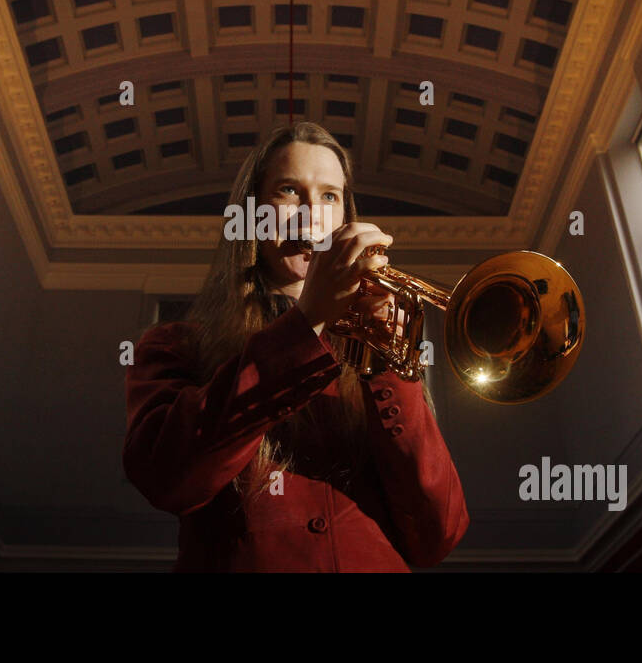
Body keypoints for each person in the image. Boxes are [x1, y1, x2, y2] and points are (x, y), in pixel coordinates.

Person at [123, 121, 469, 572]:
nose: (311, 214)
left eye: (329, 196)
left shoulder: (377, 349)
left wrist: (385, 365)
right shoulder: (174, 345)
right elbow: (166, 478)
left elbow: (438, 532)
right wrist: (306, 322)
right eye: (288, 191)